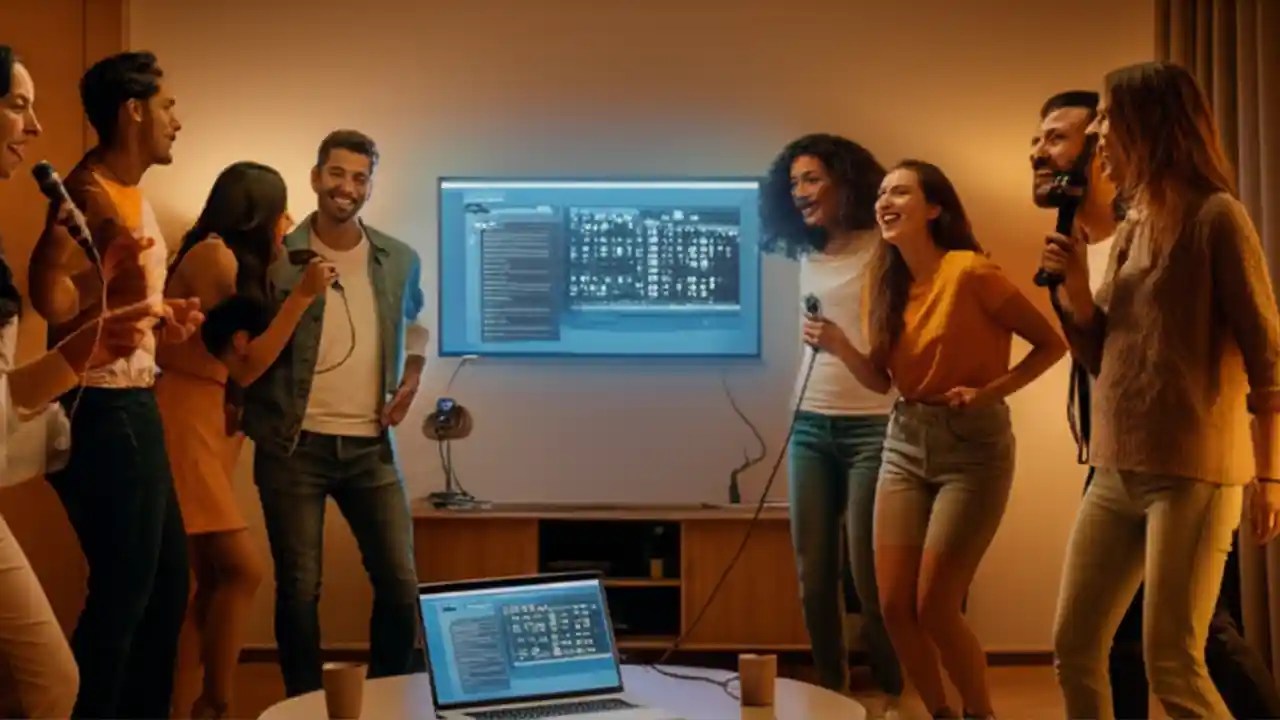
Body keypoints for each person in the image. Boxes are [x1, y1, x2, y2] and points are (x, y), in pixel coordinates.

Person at [1034, 88, 1280, 720]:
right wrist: (1077, 295)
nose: (1099, 137)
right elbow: (1102, 353)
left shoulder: (1216, 216)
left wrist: (1270, 473)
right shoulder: (1131, 224)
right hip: (1115, 469)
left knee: (1172, 661)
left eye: (1109, 120)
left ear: (1151, 125)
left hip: (1193, 472)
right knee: (1076, 645)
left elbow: (1267, 356)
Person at [806, 160, 1066, 717]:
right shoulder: (886, 282)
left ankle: (979, 713)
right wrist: (838, 345)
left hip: (973, 449)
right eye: (880, 193)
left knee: (936, 606)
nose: (884, 201)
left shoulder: (971, 272)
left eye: (899, 191)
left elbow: (1050, 345)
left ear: (935, 208)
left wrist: (991, 392)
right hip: (904, 439)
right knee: (894, 605)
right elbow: (881, 380)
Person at [0, 42, 182, 720]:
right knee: (129, 593)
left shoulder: (124, 191)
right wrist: (95, 287)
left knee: (163, 585)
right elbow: (51, 297)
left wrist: (161, 310)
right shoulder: (86, 191)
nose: (177, 119)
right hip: (104, 407)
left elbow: (92, 294)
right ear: (133, 111)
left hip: (131, 397)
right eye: (167, 105)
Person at [243, 129, 429, 696]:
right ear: (315, 177)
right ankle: (303, 704)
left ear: (370, 185)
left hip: (371, 446)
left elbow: (416, 324)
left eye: (359, 177)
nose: (347, 187)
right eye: (337, 174)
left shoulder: (398, 259)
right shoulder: (276, 260)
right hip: (294, 446)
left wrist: (413, 375)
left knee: (399, 583)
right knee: (300, 587)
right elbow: (250, 350)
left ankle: (389, 698)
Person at [157, 162, 335, 718]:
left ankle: (190, 703)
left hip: (208, 420)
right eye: (280, 209)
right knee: (240, 569)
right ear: (256, 210)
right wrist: (303, 296)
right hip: (184, 416)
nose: (287, 221)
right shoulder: (214, 257)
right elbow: (246, 365)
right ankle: (217, 702)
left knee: (204, 582)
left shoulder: (230, 259)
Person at [759, 133, 903, 717]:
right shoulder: (805, 254)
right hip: (810, 426)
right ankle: (831, 689)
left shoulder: (887, 250)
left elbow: (897, 355)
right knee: (812, 573)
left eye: (812, 179)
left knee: (870, 577)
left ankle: (895, 687)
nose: (800, 193)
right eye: (793, 183)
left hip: (875, 426)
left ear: (847, 181)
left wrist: (843, 344)